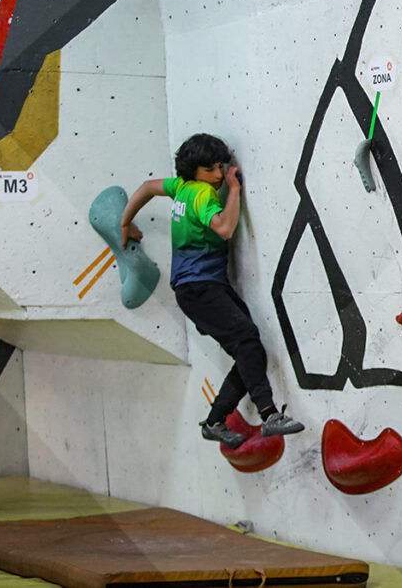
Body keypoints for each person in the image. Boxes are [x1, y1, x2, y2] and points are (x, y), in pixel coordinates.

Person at [120, 133, 304, 449]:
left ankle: (216, 421)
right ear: (195, 170)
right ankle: (269, 414)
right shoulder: (202, 194)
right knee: (247, 339)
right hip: (201, 287)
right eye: (211, 169)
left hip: (198, 289)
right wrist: (234, 190)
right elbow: (224, 227)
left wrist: (125, 222)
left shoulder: (180, 187)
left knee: (249, 351)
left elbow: (147, 187)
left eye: (221, 167)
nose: (218, 175)